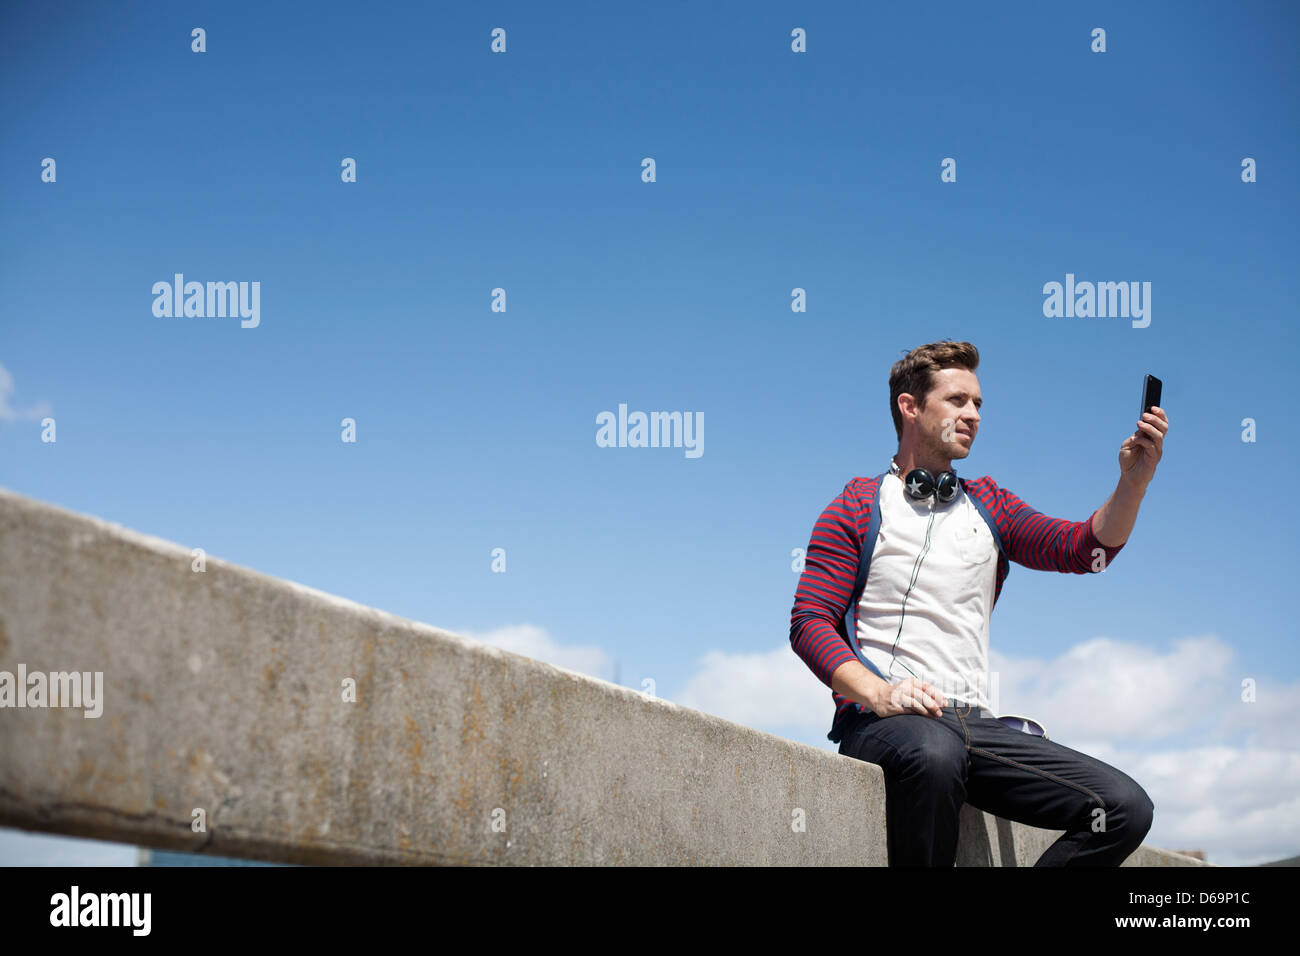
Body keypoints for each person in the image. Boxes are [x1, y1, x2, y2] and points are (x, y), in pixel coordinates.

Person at [788, 339, 1168, 866]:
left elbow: (1086, 550)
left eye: (979, 405)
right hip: (886, 724)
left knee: (1125, 806)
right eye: (958, 400)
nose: (973, 414)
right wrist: (877, 692)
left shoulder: (989, 504)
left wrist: (1133, 483)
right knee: (933, 753)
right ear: (910, 406)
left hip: (976, 727)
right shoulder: (855, 505)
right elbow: (810, 621)